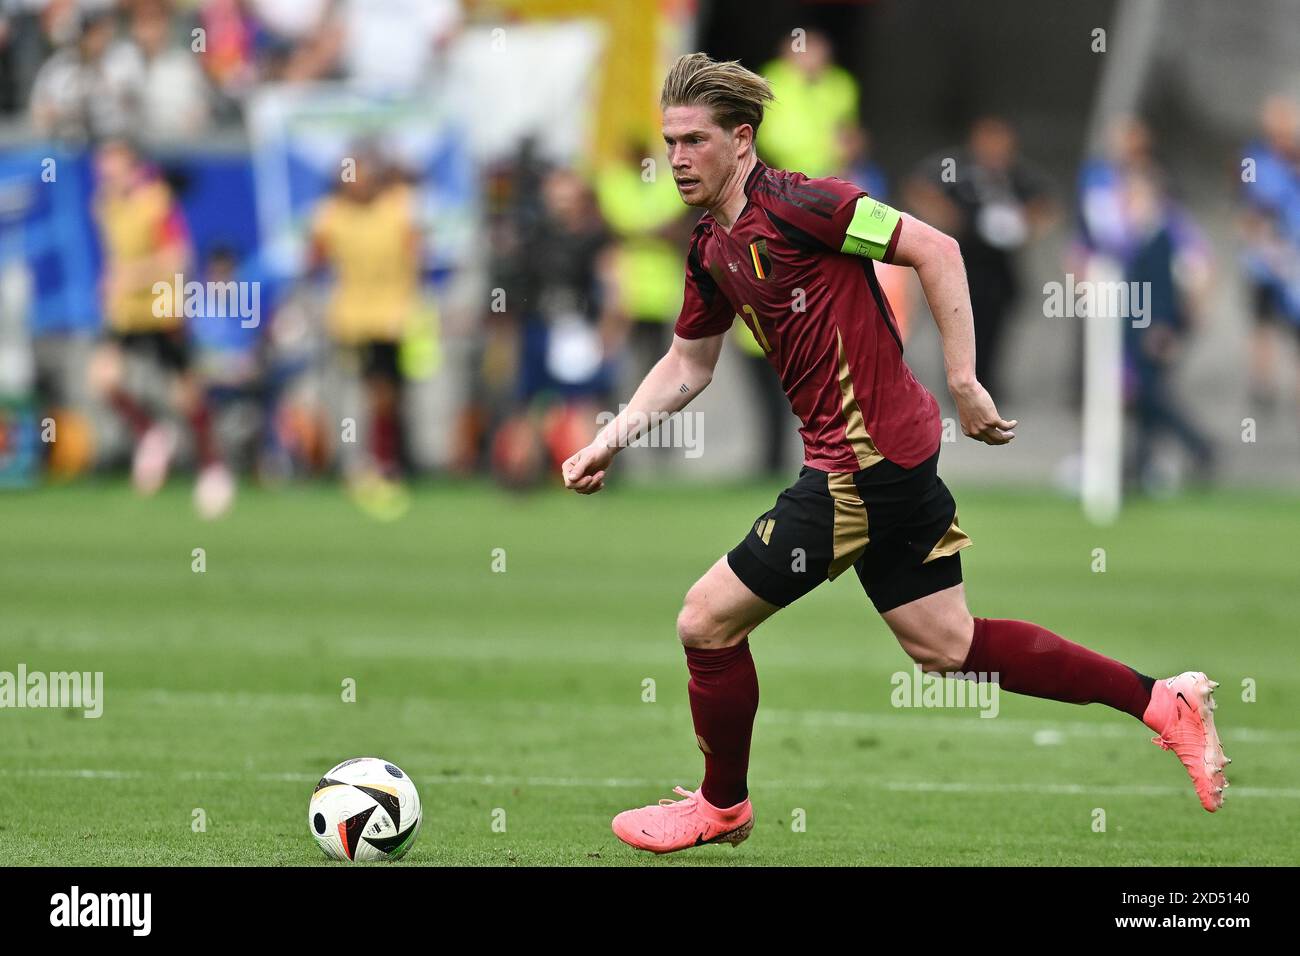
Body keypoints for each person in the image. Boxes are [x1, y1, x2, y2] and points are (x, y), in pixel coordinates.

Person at [560, 54, 1230, 855]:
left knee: (704, 622)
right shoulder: (711, 247)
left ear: (742, 141)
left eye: (693, 141)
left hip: (863, 468)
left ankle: (721, 806)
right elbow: (689, 364)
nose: (674, 159)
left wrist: (965, 380)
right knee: (949, 646)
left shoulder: (809, 204)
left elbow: (937, 248)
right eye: (668, 142)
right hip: (889, 461)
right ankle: (1165, 703)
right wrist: (609, 438)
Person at [87, 138, 234, 518]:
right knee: (104, 378)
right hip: (126, 312)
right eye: (102, 167)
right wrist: (109, 286)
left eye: (113, 166)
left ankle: (212, 469)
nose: (105, 174)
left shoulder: (156, 202)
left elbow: (178, 259)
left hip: (162, 304)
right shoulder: (104, 205)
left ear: (133, 166)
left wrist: (130, 277)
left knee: (186, 394)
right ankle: (151, 432)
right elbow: (116, 257)